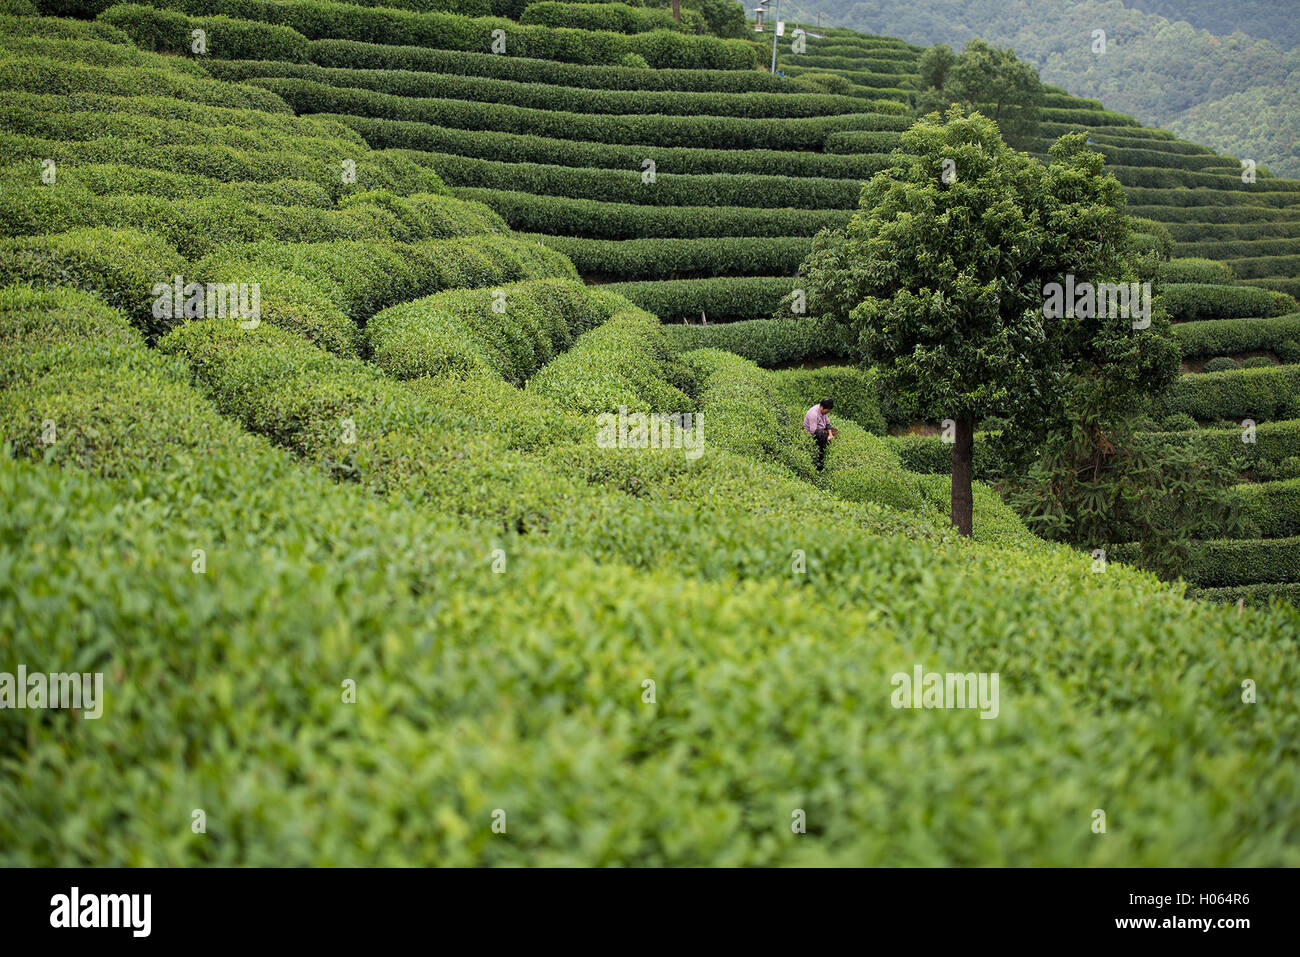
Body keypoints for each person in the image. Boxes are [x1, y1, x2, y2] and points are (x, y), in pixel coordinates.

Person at [803, 398, 837, 470]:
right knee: (820, 450)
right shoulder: (814, 414)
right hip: (811, 434)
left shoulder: (823, 411)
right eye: (827, 411)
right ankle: (818, 466)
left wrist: (830, 434)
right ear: (822, 407)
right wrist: (826, 437)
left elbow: (827, 424)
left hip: (820, 431)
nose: (827, 413)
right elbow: (813, 431)